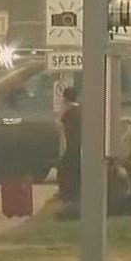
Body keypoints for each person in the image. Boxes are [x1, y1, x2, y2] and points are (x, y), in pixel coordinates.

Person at [56, 85, 82, 214]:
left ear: (65, 98)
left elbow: (63, 134)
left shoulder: (67, 113)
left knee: (66, 175)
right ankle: (75, 199)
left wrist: (62, 152)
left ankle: (68, 201)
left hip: (70, 148)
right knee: (77, 175)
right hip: (80, 148)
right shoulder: (81, 111)